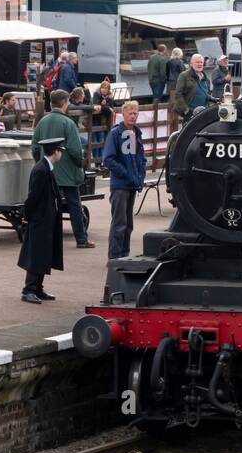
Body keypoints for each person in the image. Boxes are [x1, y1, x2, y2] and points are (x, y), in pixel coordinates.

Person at [32, 89, 94, 249]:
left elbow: (34, 147)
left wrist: (41, 162)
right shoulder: (68, 123)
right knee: (74, 205)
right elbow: (74, 149)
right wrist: (81, 163)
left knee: (48, 206)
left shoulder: (42, 122)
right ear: (65, 103)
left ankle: (47, 239)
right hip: (67, 173)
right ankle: (81, 239)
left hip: (47, 171)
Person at [18, 137, 65, 303]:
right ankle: (28, 289)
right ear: (56, 152)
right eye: (61, 151)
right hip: (39, 220)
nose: (61, 154)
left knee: (43, 253)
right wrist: (27, 217)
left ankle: (38, 287)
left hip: (46, 219)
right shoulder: (41, 170)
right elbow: (33, 197)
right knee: (36, 254)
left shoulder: (46, 168)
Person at [101, 100, 146, 259]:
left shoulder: (136, 133)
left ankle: (124, 254)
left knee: (128, 224)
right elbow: (108, 159)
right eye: (130, 113)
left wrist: (140, 177)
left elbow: (140, 158)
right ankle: (114, 257)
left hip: (132, 184)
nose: (133, 116)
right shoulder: (116, 134)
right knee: (119, 223)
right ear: (123, 114)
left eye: (135, 113)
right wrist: (126, 173)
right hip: (120, 185)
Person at [171, 53, 212, 127]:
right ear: (191, 64)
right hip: (190, 113)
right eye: (197, 62)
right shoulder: (184, 75)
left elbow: (205, 93)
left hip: (203, 113)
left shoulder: (206, 79)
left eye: (201, 62)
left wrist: (212, 98)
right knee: (188, 135)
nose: (199, 64)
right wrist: (186, 110)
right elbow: (178, 94)